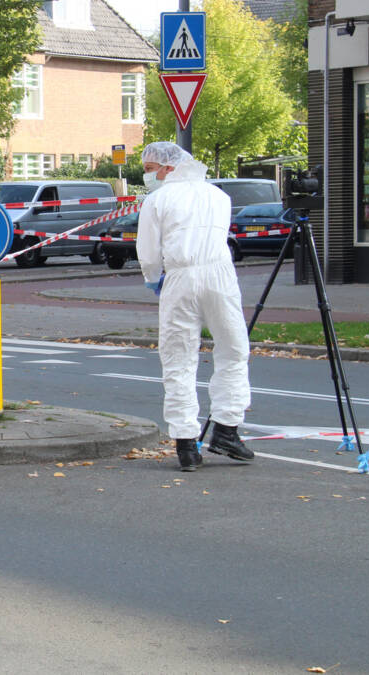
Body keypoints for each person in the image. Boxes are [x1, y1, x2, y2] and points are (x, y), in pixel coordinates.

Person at [136, 141, 255, 472]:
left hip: (180, 278)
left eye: (150, 169)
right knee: (233, 351)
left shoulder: (157, 200)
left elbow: (147, 250)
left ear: (168, 168)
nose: (148, 176)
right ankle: (227, 430)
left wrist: (153, 277)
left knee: (178, 357)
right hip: (220, 276)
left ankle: (187, 444)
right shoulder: (219, 196)